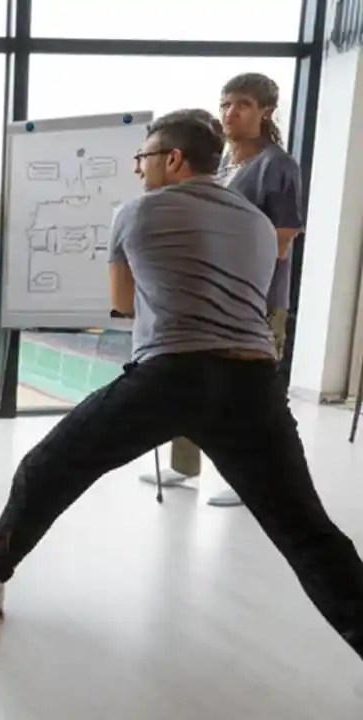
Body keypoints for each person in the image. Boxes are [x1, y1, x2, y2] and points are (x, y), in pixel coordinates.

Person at [0, 110, 363, 660]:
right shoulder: (254, 221)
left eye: (144, 158)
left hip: (171, 375)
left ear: (173, 159)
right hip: (255, 380)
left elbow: (124, 304)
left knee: (47, 469)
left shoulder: (138, 213)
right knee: (307, 532)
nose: (139, 170)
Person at [139, 73, 305, 508]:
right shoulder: (221, 162)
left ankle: (252, 478)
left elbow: (284, 235)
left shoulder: (277, 166)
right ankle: (185, 464)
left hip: (257, 300)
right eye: (226, 103)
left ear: (266, 111)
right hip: (201, 292)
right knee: (188, 371)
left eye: (243, 105)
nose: (231, 113)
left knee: (251, 393)